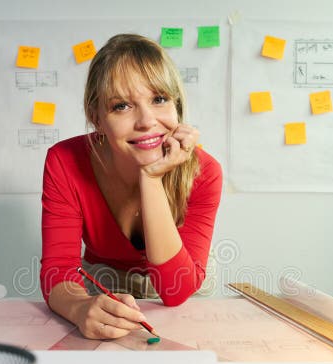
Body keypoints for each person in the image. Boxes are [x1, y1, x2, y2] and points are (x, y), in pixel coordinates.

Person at [40, 33, 223, 340]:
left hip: (183, 280)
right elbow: (59, 270)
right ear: (95, 116)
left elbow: (174, 291)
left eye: (159, 99)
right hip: (102, 284)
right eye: (122, 106)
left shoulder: (205, 173)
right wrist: (79, 308)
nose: (146, 121)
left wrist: (150, 178)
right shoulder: (64, 161)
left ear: (177, 104)